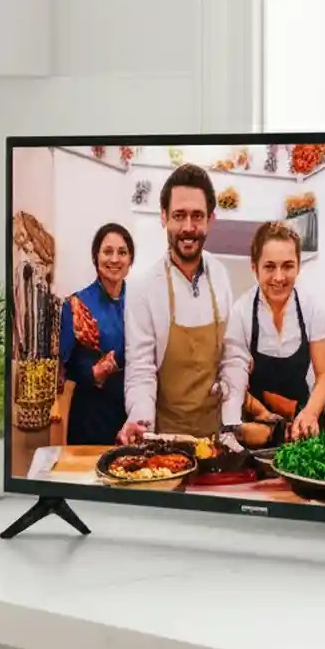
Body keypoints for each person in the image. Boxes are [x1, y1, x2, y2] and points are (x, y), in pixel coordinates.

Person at [118, 164, 245, 443]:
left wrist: (232, 418)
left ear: (210, 219)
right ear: (164, 217)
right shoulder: (143, 287)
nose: (188, 228)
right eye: (179, 216)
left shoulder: (221, 275)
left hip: (217, 438)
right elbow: (141, 371)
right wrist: (140, 422)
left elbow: (233, 355)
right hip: (165, 440)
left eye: (197, 216)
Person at [220, 222, 325, 446]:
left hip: (301, 425)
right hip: (255, 429)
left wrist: (310, 413)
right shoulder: (241, 312)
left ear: (299, 266)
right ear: (255, 268)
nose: (279, 277)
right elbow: (232, 379)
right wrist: (262, 413)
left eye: (288, 266)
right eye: (269, 267)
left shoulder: (312, 309)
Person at [57, 223, 135, 445]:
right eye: (107, 251)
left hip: (132, 413)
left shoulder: (140, 302)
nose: (114, 259)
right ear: (95, 257)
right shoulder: (77, 304)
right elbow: (65, 369)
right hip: (90, 415)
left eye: (122, 252)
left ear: (130, 260)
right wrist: (96, 372)